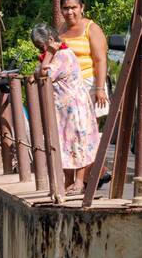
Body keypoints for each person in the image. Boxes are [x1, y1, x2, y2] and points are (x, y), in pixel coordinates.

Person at [32, 24, 100, 194]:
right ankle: (68, 181)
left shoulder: (62, 55)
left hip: (73, 107)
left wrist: (48, 55)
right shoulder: (58, 55)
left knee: (77, 142)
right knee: (65, 145)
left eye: (41, 46)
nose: (40, 50)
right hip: (64, 109)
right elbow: (39, 72)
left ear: (50, 41)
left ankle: (79, 182)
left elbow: (43, 74)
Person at [56, 0, 109, 117]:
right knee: (71, 126)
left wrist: (100, 89)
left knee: (89, 127)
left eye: (73, 7)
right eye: (66, 8)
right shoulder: (60, 29)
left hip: (88, 83)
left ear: (82, 8)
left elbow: (100, 60)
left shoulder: (91, 28)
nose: (70, 12)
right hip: (67, 86)